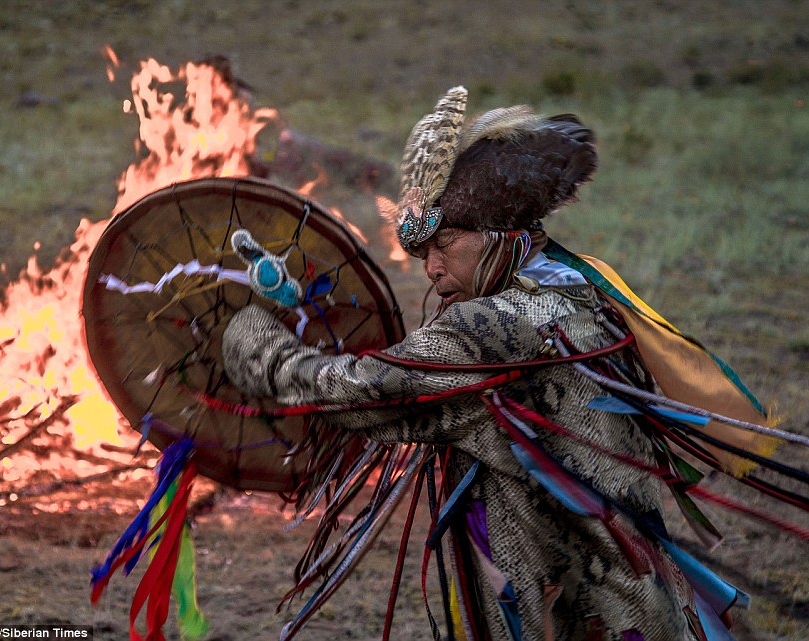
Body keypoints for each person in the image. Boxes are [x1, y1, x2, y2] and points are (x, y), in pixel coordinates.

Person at [222, 87, 755, 641]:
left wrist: (252, 338)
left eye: (444, 243)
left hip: (588, 618)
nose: (430, 268)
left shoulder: (489, 330)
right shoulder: (575, 291)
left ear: (502, 236)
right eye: (422, 253)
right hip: (631, 602)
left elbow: (357, 391)